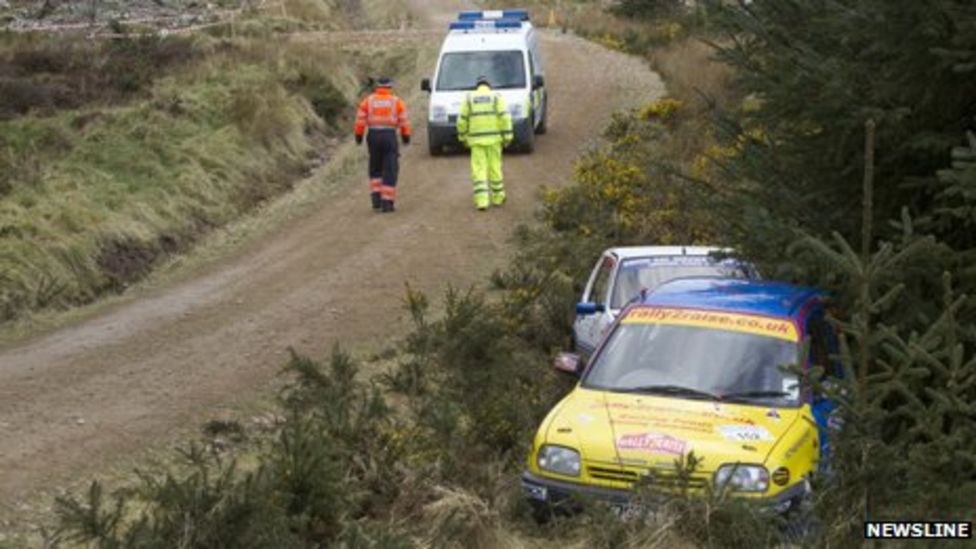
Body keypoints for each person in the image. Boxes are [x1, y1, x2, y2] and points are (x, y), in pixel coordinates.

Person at [354, 76, 411, 213]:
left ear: (377, 87)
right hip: (389, 136)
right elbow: (404, 120)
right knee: (390, 168)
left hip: (373, 136)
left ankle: (376, 199)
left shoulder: (368, 101)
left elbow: (360, 120)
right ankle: (387, 202)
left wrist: (358, 136)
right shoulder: (396, 101)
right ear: (390, 87)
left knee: (375, 167)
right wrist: (405, 136)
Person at [456, 75, 513, 211]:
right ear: (489, 85)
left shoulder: (469, 98)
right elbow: (505, 117)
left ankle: (482, 201)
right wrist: (507, 136)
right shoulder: (496, 97)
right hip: (494, 140)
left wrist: (463, 137)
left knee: (479, 170)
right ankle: (498, 197)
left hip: (476, 141)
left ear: (477, 86)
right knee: (495, 168)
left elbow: (461, 121)